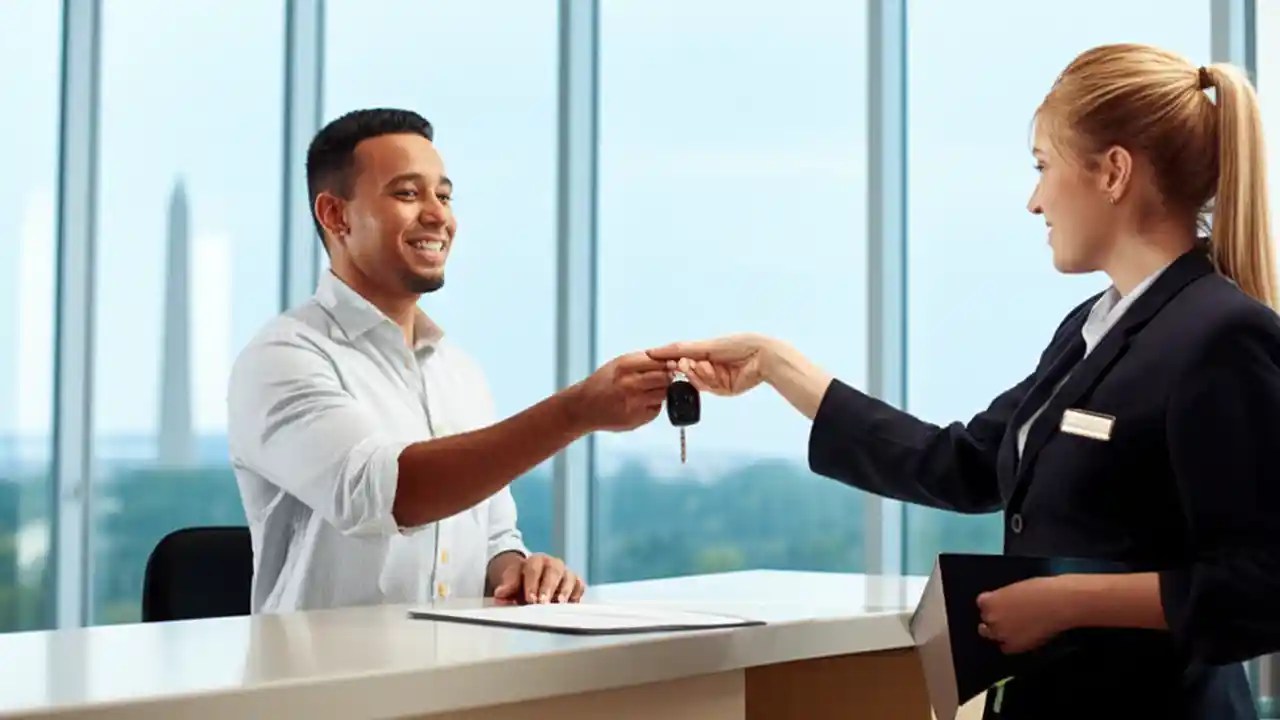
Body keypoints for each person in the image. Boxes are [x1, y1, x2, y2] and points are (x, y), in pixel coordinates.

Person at [649, 44, 1280, 718]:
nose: (1035, 201)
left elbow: (1262, 586)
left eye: (1043, 166)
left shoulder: (1220, 337)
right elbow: (963, 464)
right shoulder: (1089, 329)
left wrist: (1066, 600)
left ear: (1114, 172)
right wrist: (777, 367)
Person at [227, 108, 669, 614]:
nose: (439, 215)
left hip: (456, 677)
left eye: (444, 195)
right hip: (322, 687)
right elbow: (386, 493)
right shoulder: (283, 358)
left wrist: (518, 569)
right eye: (408, 194)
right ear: (335, 216)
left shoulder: (458, 371)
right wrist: (576, 412)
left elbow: (492, 536)